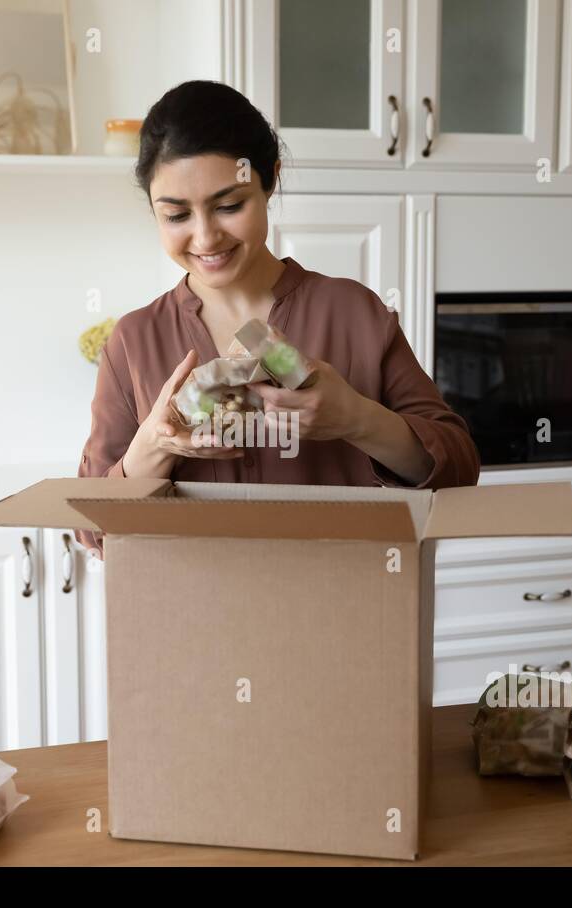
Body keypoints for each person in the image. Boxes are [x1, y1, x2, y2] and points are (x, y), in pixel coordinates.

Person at [78, 80, 480, 554]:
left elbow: (458, 470)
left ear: (271, 178)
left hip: (346, 603)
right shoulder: (134, 341)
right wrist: (154, 448)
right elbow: (92, 530)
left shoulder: (354, 314)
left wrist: (355, 418)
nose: (205, 238)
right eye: (176, 216)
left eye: (229, 206)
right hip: (193, 614)